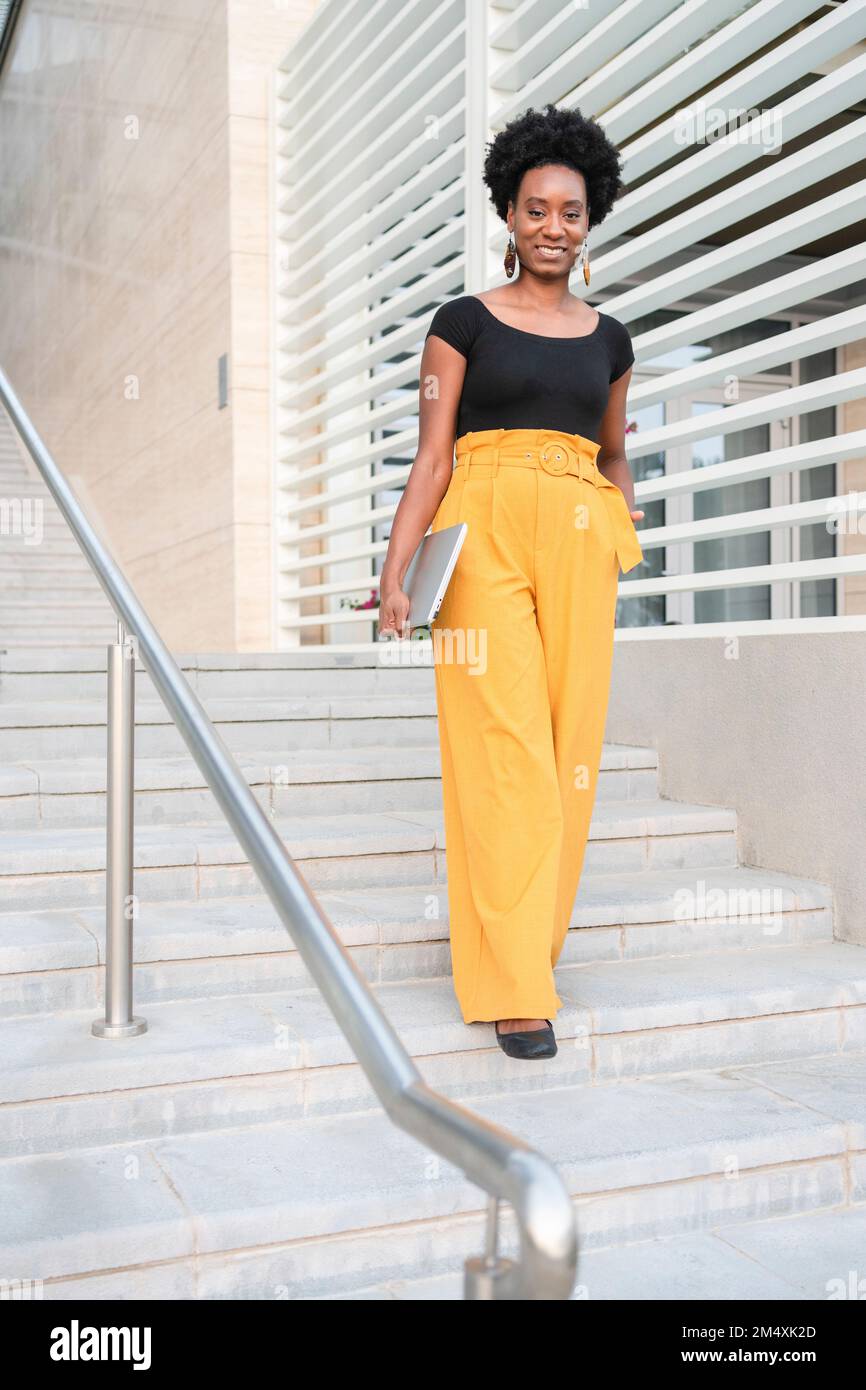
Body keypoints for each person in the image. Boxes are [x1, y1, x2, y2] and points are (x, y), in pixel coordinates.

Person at [378, 104, 644, 1060]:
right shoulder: (459, 325)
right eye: (536, 209)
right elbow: (431, 456)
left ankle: (534, 949)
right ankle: (514, 989)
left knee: (570, 753)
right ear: (508, 213)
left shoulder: (612, 340)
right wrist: (399, 562)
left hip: (580, 537)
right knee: (506, 755)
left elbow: (615, 453)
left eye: (571, 212)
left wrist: (620, 516)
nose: (553, 228)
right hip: (481, 525)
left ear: (590, 221)